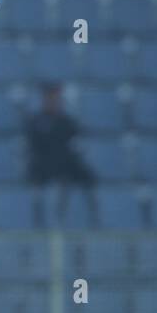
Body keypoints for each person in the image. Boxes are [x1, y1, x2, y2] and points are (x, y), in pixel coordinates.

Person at [25, 83, 97, 223]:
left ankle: (90, 218)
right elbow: (33, 146)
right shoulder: (36, 121)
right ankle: (41, 219)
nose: (53, 102)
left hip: (65, 163)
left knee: (88, 176)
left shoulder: (67, 121)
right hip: (43, 164)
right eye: (50, 98)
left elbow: (75, 141)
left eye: (56, 99)